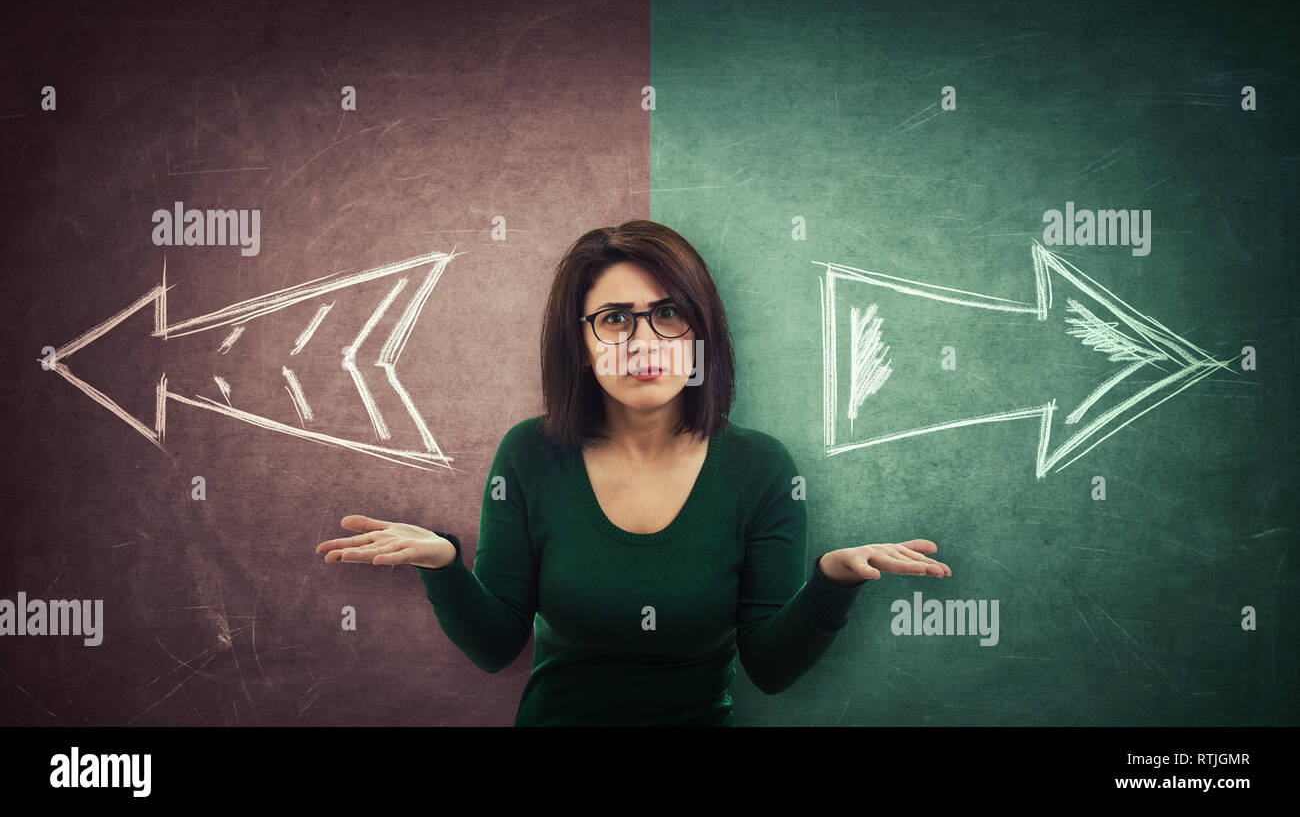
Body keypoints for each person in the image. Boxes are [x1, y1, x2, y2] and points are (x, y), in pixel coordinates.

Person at [315, 220, 950, 726]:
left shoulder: (760, 468)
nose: (644, 343)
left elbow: (770, 669)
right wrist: (443, 567)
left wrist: (832, 582)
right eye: (615, 319)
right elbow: (496, 647)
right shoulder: (529, 457)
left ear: (702, 334)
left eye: (669, 314)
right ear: (581, 344)